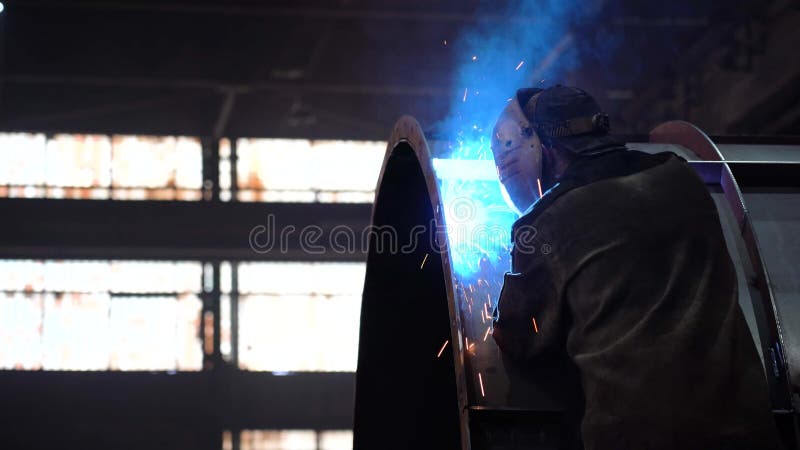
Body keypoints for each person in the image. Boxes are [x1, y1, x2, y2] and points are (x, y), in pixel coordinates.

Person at [490, 85, 781, 450]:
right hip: (749, 433)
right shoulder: (681, 178)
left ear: (536, 150)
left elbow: (518, 335)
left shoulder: (549, 222)